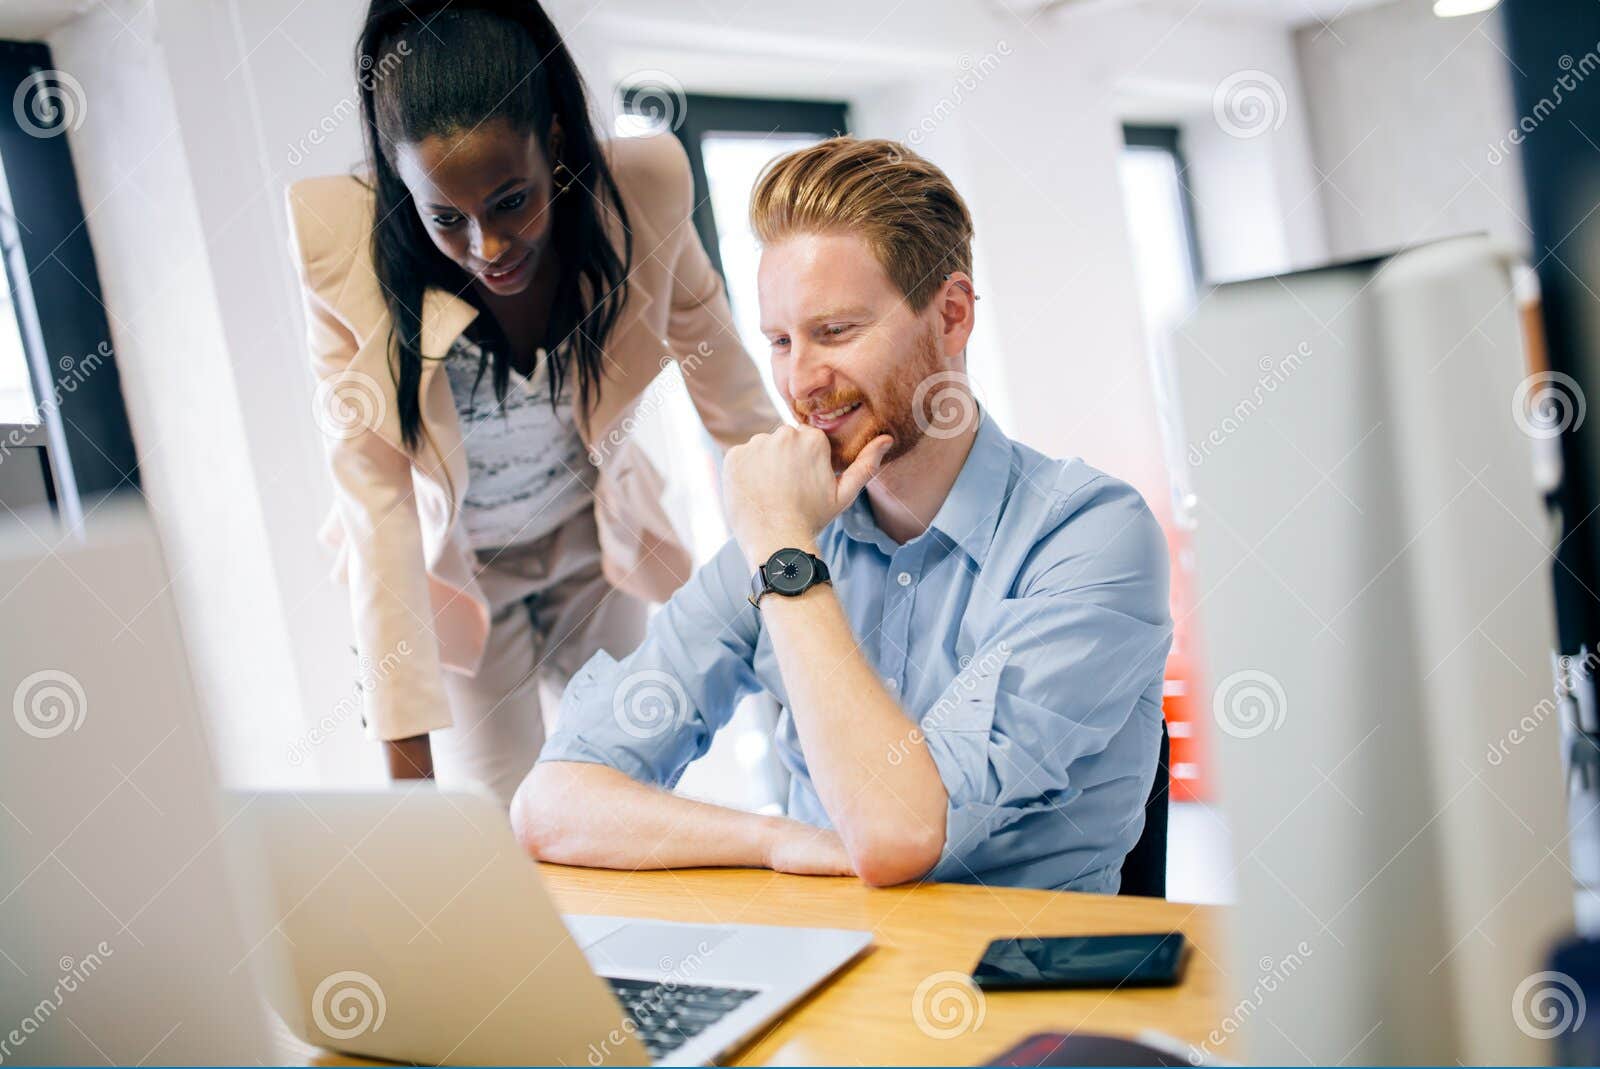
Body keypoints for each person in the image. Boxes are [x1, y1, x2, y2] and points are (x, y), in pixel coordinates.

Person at [511, 137, 1173, 891]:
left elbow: (896, 833)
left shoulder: (1089, 538)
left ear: (951, 315)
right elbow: (550, 804)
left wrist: (787, 555)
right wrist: (774, 840)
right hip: (830, 964)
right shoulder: (785, 531)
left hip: (1024, 987)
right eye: (781, 341)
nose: (802, 382)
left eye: (835, 332)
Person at [286, 0, 776, 804]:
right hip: (465, 571)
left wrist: (810, 572)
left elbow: (737, 405)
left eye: (511, 200)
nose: (489, 247)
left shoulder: (642, 197)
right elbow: (378, 508)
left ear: (552, 142)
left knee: (627, 783)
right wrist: (411, 792)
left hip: (593, 539)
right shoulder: (341, 251)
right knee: (507, 817)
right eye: (447, 218)